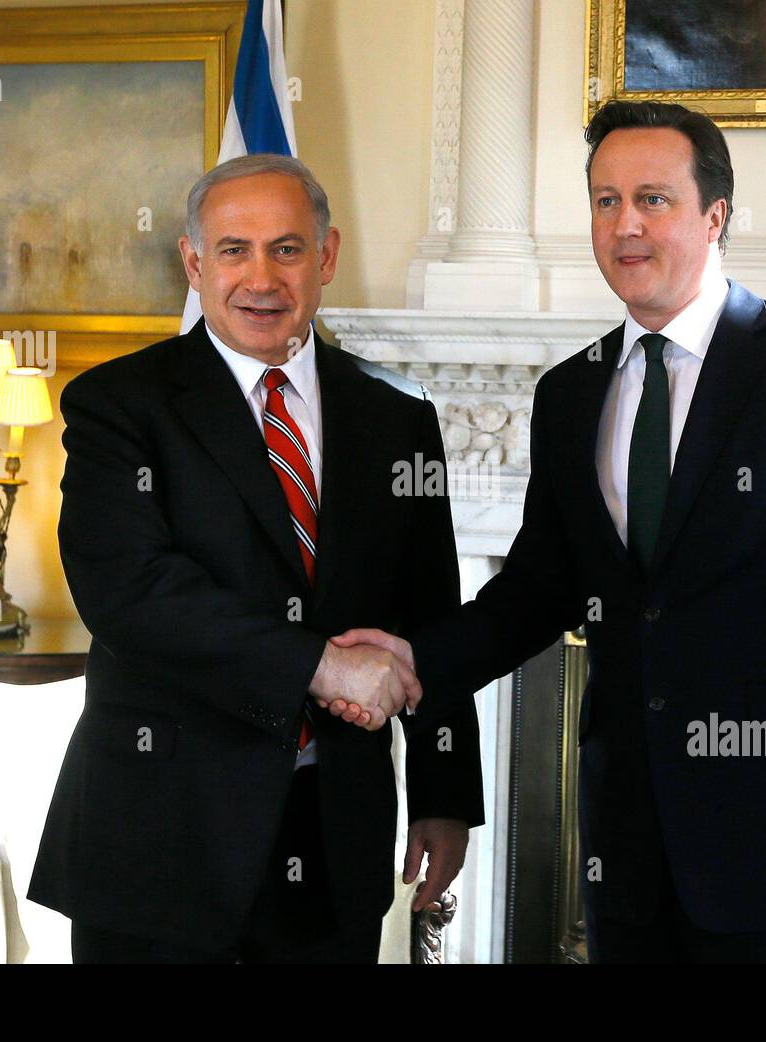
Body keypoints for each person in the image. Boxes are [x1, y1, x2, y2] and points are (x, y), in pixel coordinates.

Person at [330, 101, 766, 964]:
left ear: (715, 215)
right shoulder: (570, 392)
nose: (625, 224)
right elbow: (538, 589)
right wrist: (412, 662)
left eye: (653, 199)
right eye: (605, 200)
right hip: (627, 852)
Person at [27, 154, 484, 963]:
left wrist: (444, 793)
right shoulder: (118, 405)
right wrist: (319, 665)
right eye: (234, 250)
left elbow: (430, 615)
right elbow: (128, 594)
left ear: (328, 255)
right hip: (160, 842)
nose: (261, 277)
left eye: (288, 248)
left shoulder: (398, 417)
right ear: (194, 263)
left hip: (334, 834)